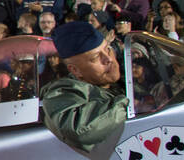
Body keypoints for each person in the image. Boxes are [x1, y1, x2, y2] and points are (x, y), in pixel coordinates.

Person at [40, 21, 129, 152]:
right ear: (76, 71)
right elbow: (79, 129)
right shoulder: (63, 91)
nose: (108, 59)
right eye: (95, 58)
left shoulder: (122, 78)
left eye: (107, 49)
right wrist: (128, 105)